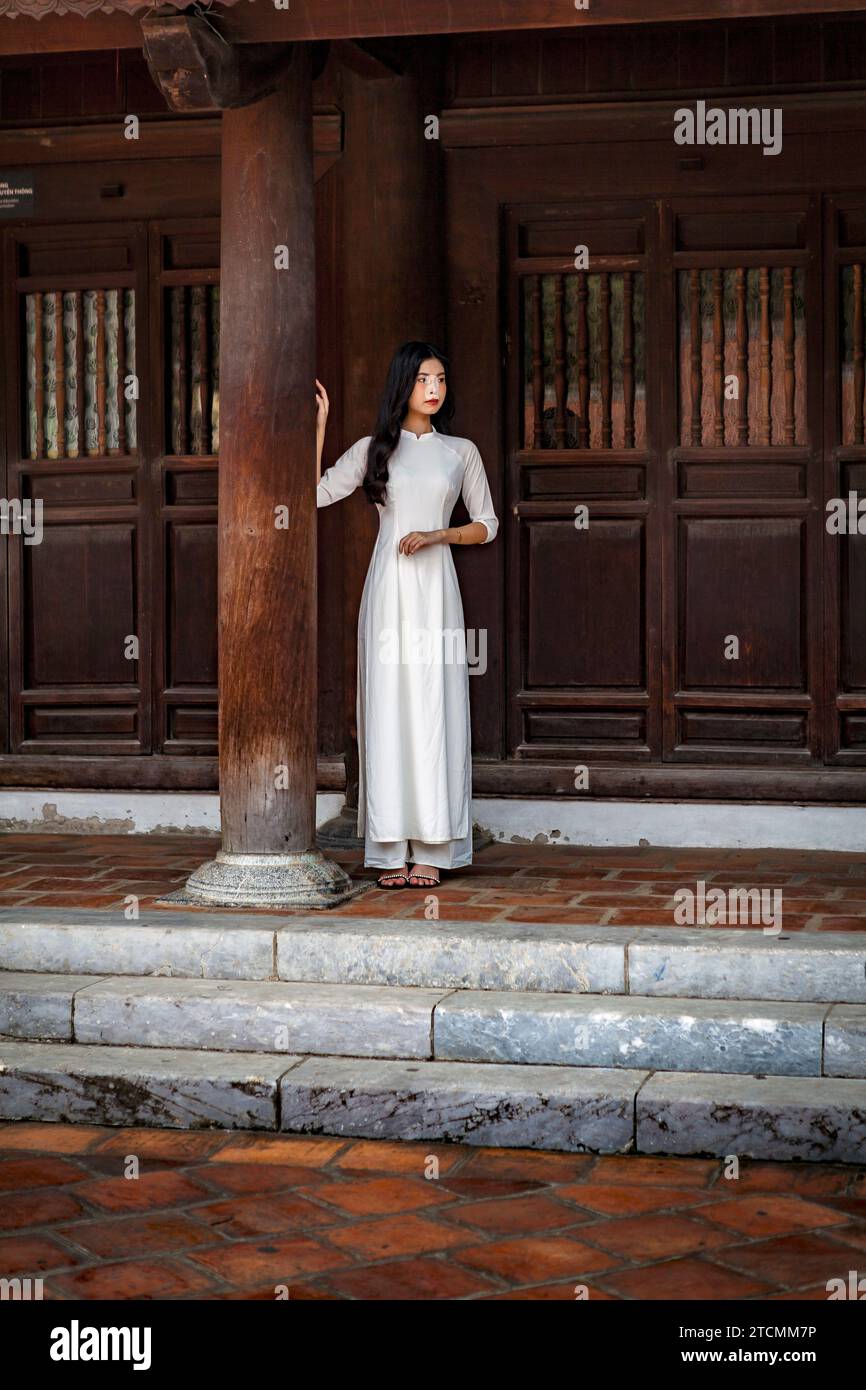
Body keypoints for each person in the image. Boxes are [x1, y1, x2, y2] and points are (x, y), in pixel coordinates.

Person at [316, 341, 498, 890]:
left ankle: (435, 847)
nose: (435, 389)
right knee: (389, 705)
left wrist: (439, 534)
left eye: (441, 378)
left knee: (435, 703)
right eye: (423, 379)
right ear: (404, 385)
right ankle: (391, 845)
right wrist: (318, 428)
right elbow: (312, 495)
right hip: (389, 591)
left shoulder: (459, 451)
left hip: (436, 591)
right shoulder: (374, 450)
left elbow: (487, 522)